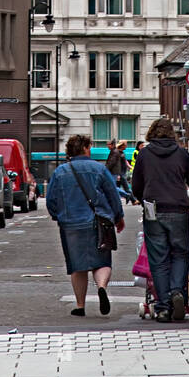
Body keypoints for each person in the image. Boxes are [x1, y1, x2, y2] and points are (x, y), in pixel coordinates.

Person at [131, 117, 189, 321]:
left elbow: (136, 185)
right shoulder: (182, 154)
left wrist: (142, 199)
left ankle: (163, 307)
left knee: (158, 259)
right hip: (178, 209)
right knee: (180, 254)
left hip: (153, 209)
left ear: (151, 134)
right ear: (172, 134)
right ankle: (177, 292)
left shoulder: (144, 154)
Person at [46, 133, 125, 317]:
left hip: (71, 224)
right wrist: (118, 217)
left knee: (78, 266)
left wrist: (59, 216)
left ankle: (80, 306)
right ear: (84, 148)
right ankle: (102, 287)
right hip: (98, 222)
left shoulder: (60, 172)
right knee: (102, 261)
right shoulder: (98, 168)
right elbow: (113, 194)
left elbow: (51, 201)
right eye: (89, 147)